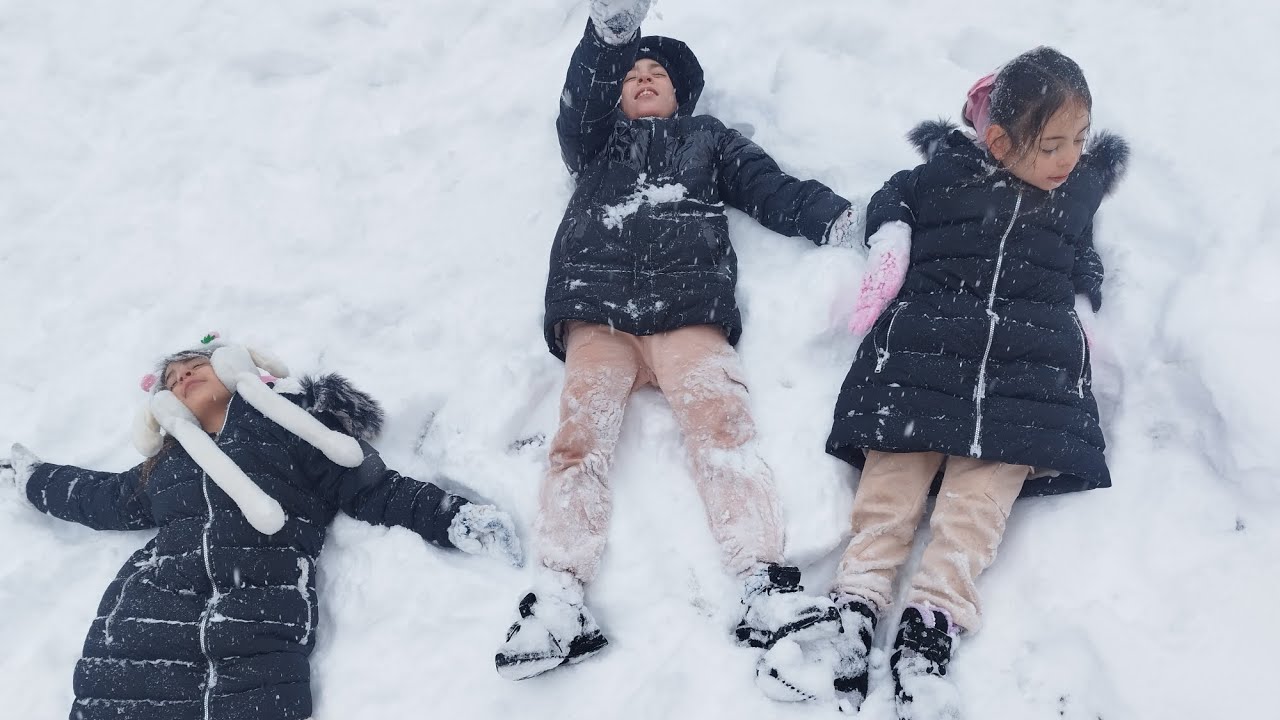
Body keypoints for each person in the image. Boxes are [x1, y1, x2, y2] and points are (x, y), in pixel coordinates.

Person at [494, 0, 860, 685]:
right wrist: (610, 39)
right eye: (631, 72)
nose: (642, 77)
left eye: (656, 72)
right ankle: (560, 596)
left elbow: (772, 189)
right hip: (597, 313)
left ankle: (760, 583)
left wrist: (838, 220)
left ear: (681, 93)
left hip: (688, 311)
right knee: (578, 442)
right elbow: (580, 104)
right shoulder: (596, 141)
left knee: (723, 427)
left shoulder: (708, 139)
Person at [765, 47, 1130, 714]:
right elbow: (891, 201)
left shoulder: (1074, 195)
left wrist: (1084, 302)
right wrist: (890, 243)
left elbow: (1080, 256)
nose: (1070, 158)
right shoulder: (942, 179)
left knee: (976, 508)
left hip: (1024, 375)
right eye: (1052, 145)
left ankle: (930, 628)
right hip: (925, 352)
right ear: (999, 141)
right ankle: (855, 607)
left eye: (1081, 139)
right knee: (890, 487)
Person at [0, 336, 523, 720]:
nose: (182, 376)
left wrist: (453, 516)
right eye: (172, 379)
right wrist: (32, 477)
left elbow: (372, 488)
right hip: (151, 613)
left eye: (195, 365)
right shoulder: (166, 465)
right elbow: (99, 498)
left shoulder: (290, 426)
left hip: (259, 610)